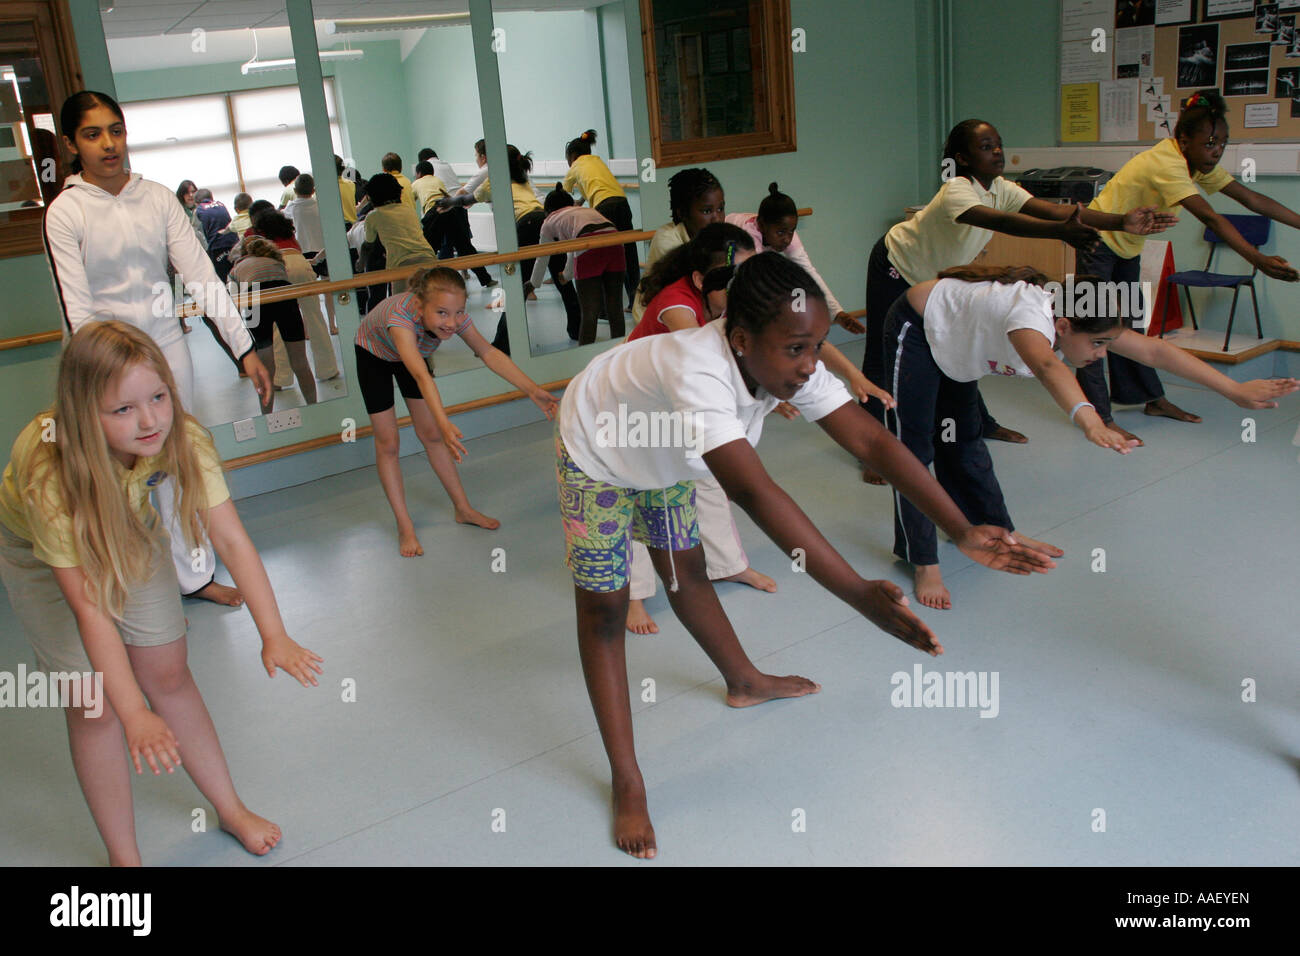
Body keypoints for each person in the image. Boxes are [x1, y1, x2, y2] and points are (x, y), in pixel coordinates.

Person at [556, 252, 1056, 858]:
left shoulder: (788, 360)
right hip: (600, 450)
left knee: (686, 573)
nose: (809, 364)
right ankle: (628, 780)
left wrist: (961, 526)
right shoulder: (698, 371)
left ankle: (744, 680)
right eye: (796, 349)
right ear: (741, 340)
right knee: (605, 611)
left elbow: (871, 437)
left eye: (817, 346)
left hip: (665, 455)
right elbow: (752, 490)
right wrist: (856, 593)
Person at [0, 321, 323, 865]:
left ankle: (230, 809)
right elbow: (89, 606)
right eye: (122, 410)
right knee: (93, 706)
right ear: (84, 414)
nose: (148, 420)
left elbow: (231, 538)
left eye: (157, 397)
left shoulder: (182, 437)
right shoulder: (48, 473)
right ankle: (124, 857)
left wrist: (274, 634)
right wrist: (133, 714)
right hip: (42, 558)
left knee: (169, 675)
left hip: (127, 526)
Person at [883, 263, 1297, 610]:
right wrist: (1091, 420)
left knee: (964, 443)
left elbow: (1155, 352)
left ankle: (996, 529)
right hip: (919, 328)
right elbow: (1048, 366)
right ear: (1061, 325)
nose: (1101, 354)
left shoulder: (1078, 318)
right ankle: (924, 560)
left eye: (1106, 344)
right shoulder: (1030, 319)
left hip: (959, 346)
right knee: (913, 453)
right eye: (1098, 344)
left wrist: (1235, 390)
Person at [44, 90, 272, 607]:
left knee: (175, 464)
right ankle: (136, 592)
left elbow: (202, 276)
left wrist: (244, 348)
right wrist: (103, 381)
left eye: (116, 130)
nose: (108, 144)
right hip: (99, 364)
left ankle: (194, 578)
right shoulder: (65, 211)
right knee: (111, 477)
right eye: (92, 133)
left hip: (164, 351)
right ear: (70, 144)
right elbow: (76, 308)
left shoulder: (157, 198)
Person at [859, 117, 1176, 482]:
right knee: (879, 361)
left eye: (998, 144)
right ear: (961, 158)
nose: (997, 152)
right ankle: (870, 450)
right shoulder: (956, 190)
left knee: (962, 351)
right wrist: (1061, 233)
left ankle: (983, 423)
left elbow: (1056, 210)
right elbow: (1002, 223)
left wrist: (1121, 222)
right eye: (985, 146)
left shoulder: (1001, 188)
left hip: (932, 281)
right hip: (895, 264)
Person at [1078, 89, 1300, 443]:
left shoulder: (1194, 163)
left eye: (1223, 144)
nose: (1217, 150)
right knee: (1093, 330)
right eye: (1210, 142)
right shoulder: (1167, 163)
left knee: (1133, 329)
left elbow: (1252, 198)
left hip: (1126, 247)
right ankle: (1099, 417)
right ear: (1183, 139)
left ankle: (1150, 399)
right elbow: (1210, 218)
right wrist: (1258, 259)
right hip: (1096, 243)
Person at [353, 267, 558, 555]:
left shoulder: (453, 316)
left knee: (432, 436)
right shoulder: (401, 317)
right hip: (374, 353)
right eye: (441, 314)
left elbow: (488, 352)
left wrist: (532, 390)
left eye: (458, 312)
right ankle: (404, 525)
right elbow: (422, 377)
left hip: (412, 353)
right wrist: (444, 421)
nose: (451, 323)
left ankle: (463, 509)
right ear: (418, 305)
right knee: (388, 442)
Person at [727, 183, 862, 333]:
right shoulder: (749, 241)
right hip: (725, 244)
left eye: (791, 231)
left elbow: (809, 274)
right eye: (781, 233)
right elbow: (755, 287)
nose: (787, 239)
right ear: (762, 225)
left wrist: (837, 314)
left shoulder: (784, 232)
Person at [227, 238, 319, 414]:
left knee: (266, 366)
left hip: (254, 299)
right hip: (284, 294)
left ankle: (266, 415)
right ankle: (313, 407)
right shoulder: (277, 262)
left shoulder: (237, 268)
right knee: (300, 362)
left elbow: (233, 296)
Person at [525, 185, 624, 345]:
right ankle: (620, 354)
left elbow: (543, 256)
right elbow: (575, 244)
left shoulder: (549, 221)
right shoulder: (586, 210)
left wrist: (534, 283)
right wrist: (567, 274)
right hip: (615, 242)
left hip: (587, 246)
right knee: (615, 310)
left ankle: (586, 360)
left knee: (589, 314)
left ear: (548, 210)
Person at [632, 167, 726, 323]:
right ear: (682, 213)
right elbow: (694, 289)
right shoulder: (667, 240)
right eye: (706, 211)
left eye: (721, 209)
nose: (717, 218)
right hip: (657, 321)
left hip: (691, 312)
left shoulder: (717, 237)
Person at [564, 129, 640, 307]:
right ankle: (634, 300)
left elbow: (565, 191)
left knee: (605, 254)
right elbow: (596, 186)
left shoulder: (575, 166)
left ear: (573, 156)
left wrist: (572, 206)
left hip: (604, 208)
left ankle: (605, 306)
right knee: (628, 251)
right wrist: (582, 200)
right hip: (622, 202)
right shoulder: (597, 161)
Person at [361, 172, 438, 294]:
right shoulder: (408, 209)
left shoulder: (373, 216)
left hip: (402, 267)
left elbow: (367, 246)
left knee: (402, 308)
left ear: (371, 197)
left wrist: (360, 263)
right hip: (429, 259)